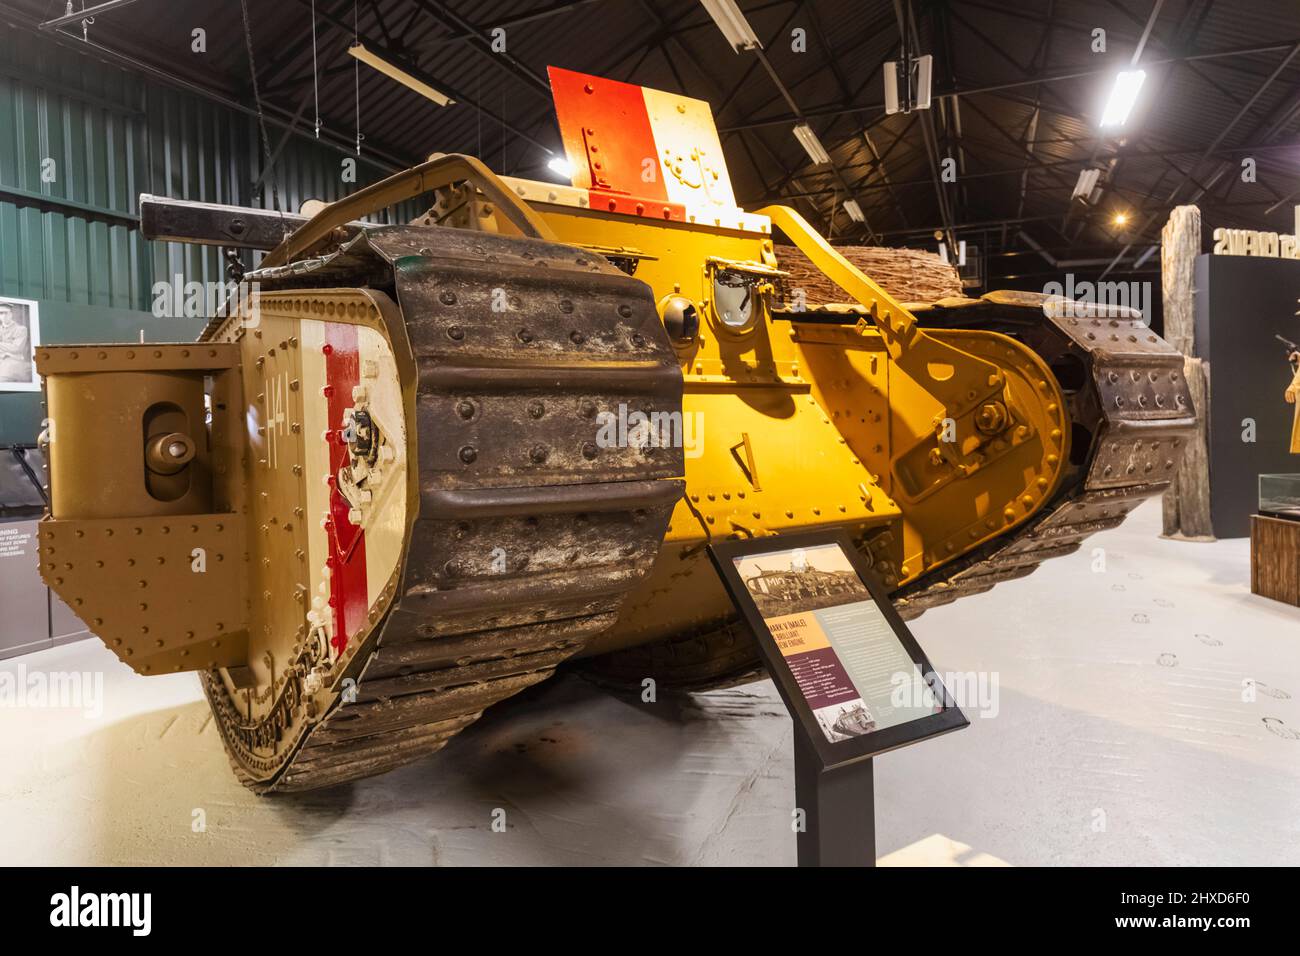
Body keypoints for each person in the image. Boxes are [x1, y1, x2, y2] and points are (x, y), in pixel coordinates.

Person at [0, 304, 32, 383]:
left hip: (12, 361)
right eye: (0, 313)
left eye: (6, 313)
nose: (3, 316)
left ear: (11, 314)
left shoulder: (20, 329)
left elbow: (16, 348)